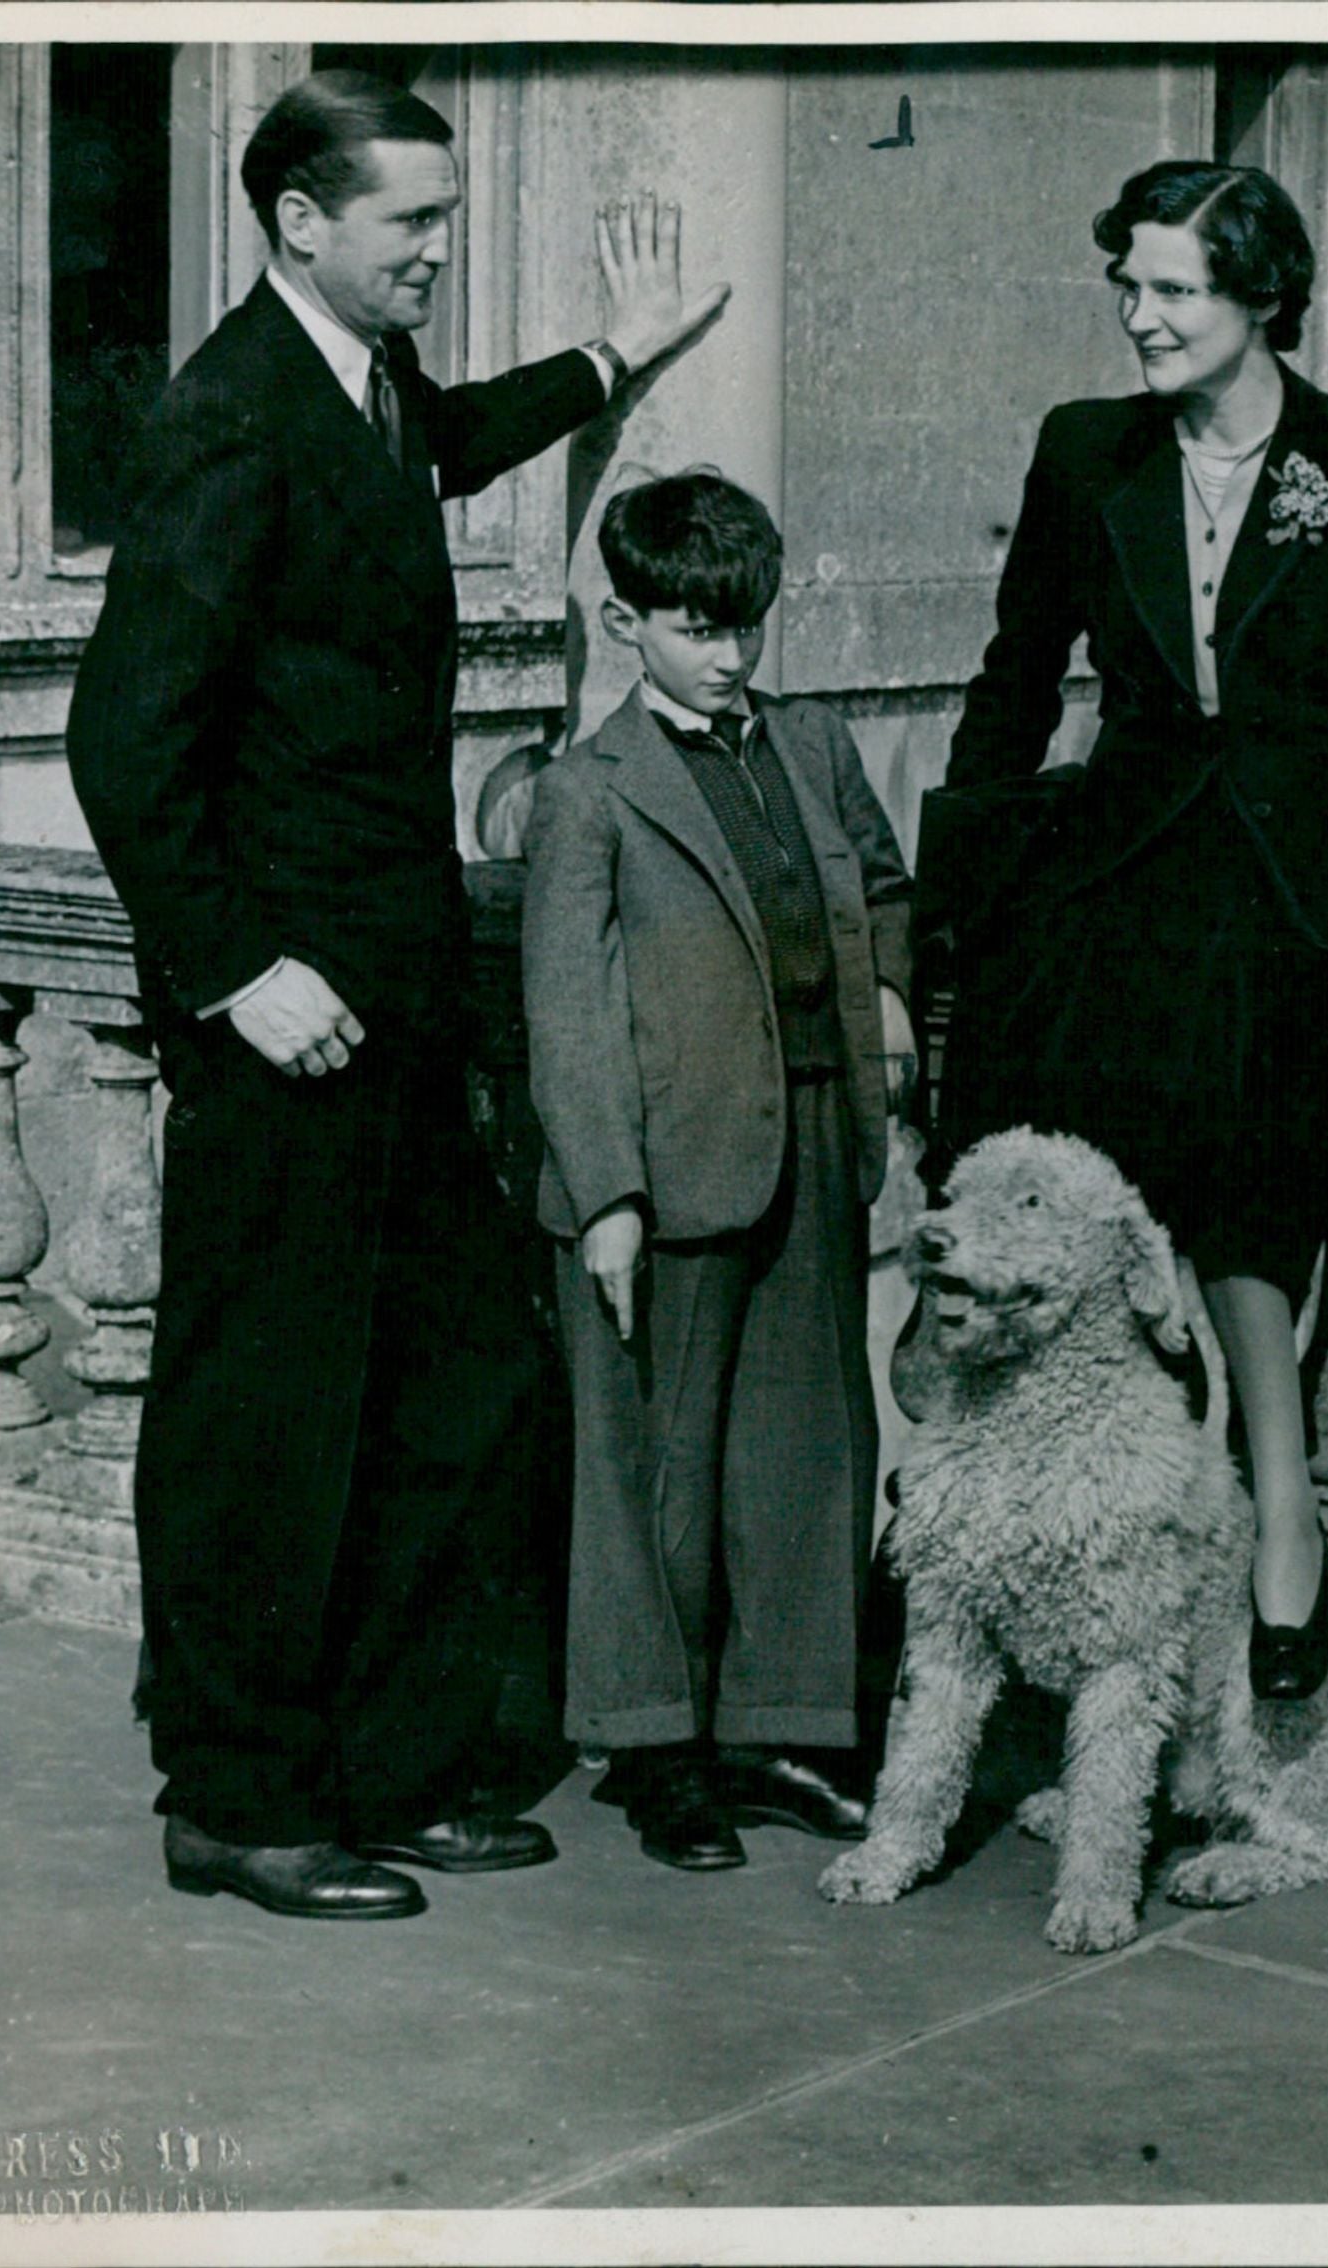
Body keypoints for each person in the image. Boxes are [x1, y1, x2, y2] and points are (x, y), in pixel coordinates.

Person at [66, 68, 727, 1921]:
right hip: (288, 1008)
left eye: (445, 217)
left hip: (403, 998)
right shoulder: (232, 415)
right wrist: (230, 971)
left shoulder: (346, 391)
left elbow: (441, 439)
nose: (443, 249)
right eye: (413, 225)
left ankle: (392, 1763)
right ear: (300, 221)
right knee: (264, 1407)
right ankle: (241, 1794)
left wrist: (611, 361)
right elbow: (126, 741)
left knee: (452, 1379)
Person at [932, 161, 1328, 1702]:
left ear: (1263, 299)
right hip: (1121, 880)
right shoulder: (1086, 448)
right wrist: (959, 898)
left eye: (1174, 291)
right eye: (1130, 286)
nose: (1140, 316)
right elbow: (1017, 674)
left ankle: (1284, 1511)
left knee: (1257, 1194)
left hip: (1294, 905)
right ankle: (1080, 1533)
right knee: (1085, 1201)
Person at [521, 472, 916, 1873]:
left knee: (806, 1457)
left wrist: (894, 1004)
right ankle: (657, 1750)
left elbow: (878, 888)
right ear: (626, 622)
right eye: (698, 629)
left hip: (812, 1140)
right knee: (661, 1472)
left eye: (745, 625)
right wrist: (610, 1199)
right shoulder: (589, 792)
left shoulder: (808, 748)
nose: (731, 654)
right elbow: (569, 1008)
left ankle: (776, 1731)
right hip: (668, 1170)